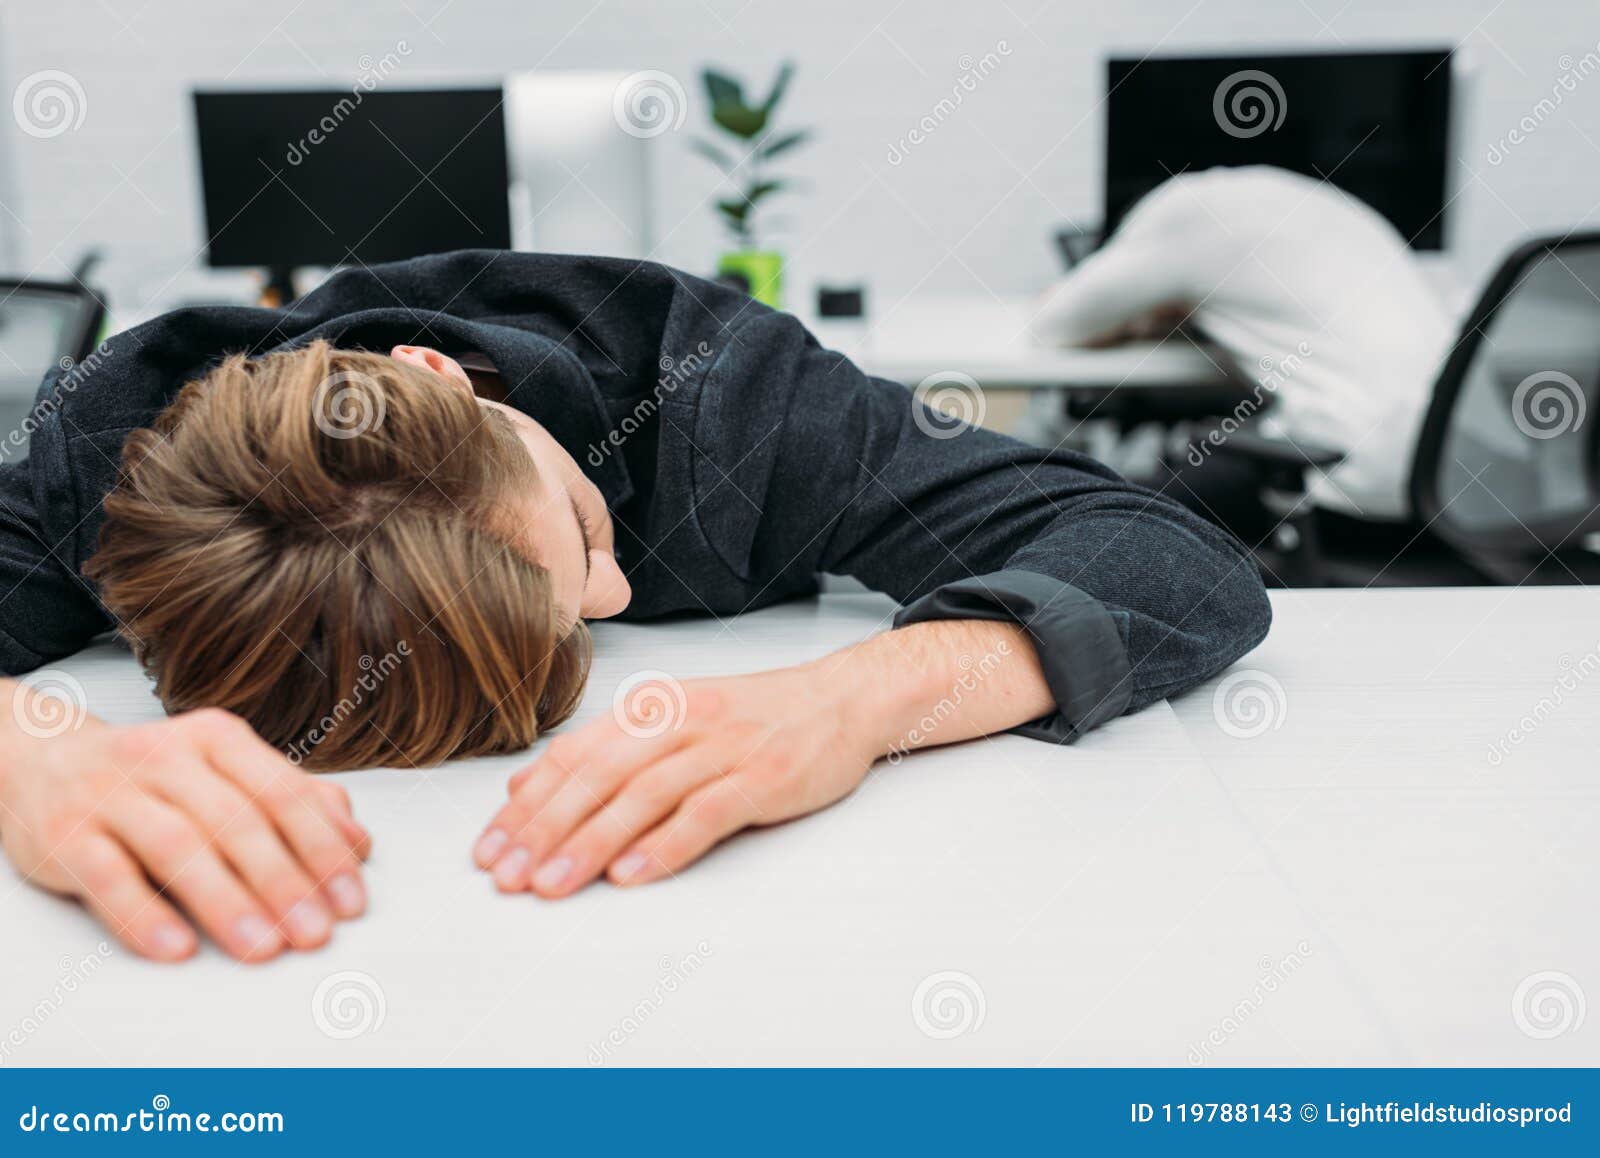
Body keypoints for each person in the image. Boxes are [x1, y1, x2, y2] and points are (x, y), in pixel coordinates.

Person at [0, 250, 1270, 963]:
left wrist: (859, 697)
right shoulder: (107, 455)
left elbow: (1167, 554)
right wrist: (35, 755)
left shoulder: (728, 392)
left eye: (587, 537)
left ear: (442, 379)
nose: (612, 593)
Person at [1033, 165, 1458, 543]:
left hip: (1349, 482)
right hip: (1453, 486)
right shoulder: (1310, 200)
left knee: (1122, 529)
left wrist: (1139, 318)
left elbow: (1056, 325)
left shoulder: (1181, 214)